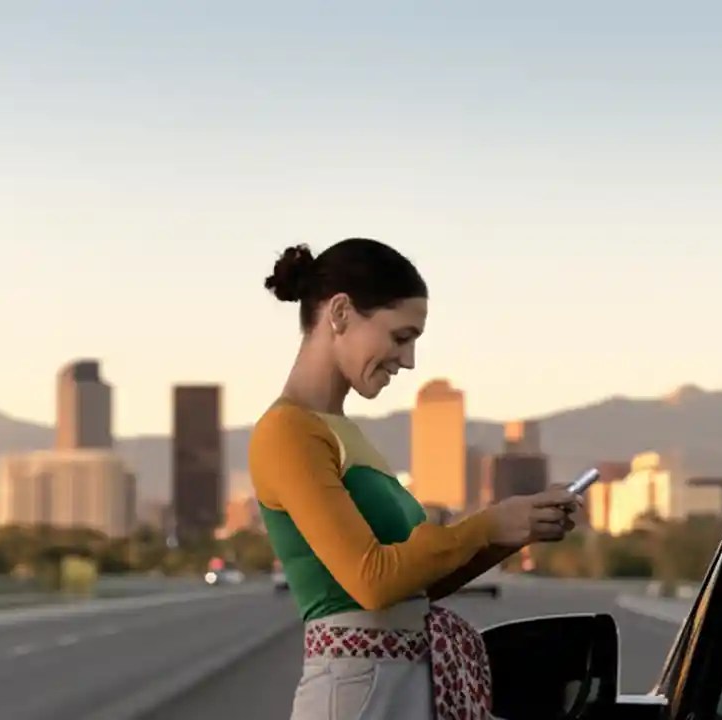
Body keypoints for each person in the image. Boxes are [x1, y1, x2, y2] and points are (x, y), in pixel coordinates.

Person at [249, 238, 582, 719]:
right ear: (340, 313)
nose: (407, 361)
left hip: (396, 685)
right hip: (357, 693)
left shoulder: (343, 432)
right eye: (400, 337)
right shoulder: (288, 432)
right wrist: (486, 525)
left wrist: (516, 530)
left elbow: (414, 584)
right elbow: (372, 582)